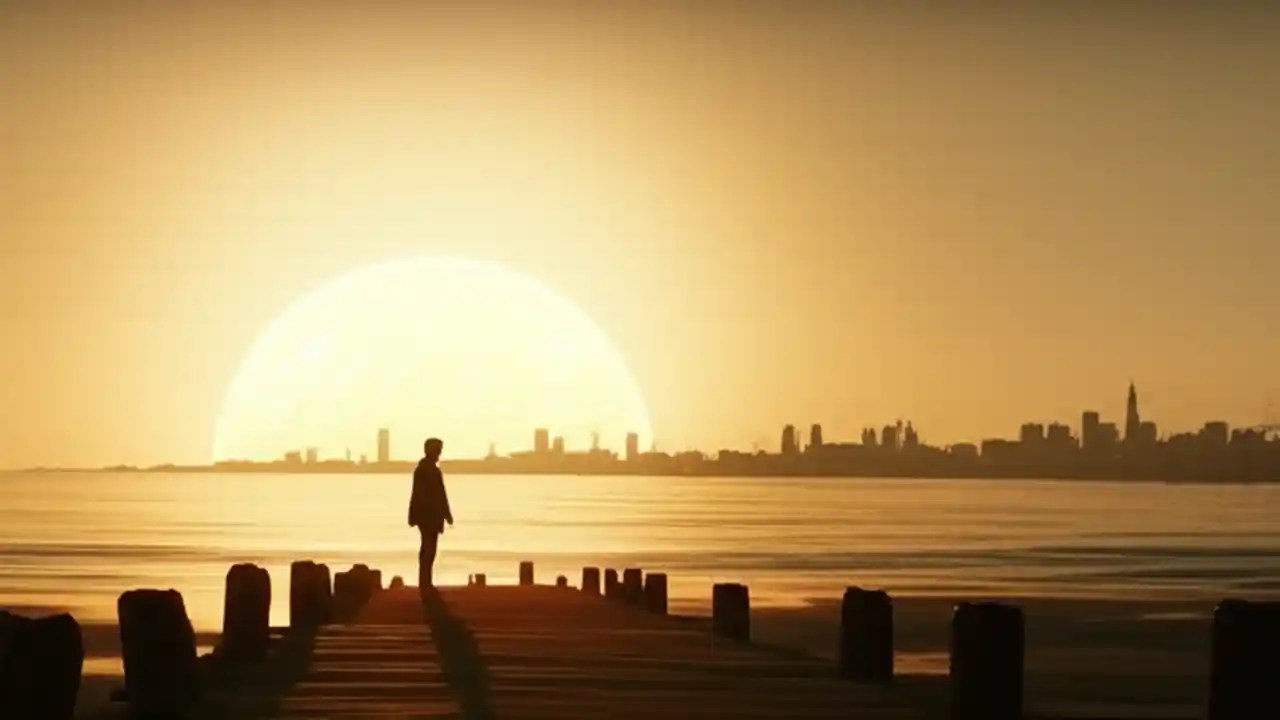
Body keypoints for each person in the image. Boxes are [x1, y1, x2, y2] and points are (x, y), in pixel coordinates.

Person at [408, 437, 453, 594]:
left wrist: (446, 513)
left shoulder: (430, 470)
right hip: (429, 516)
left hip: (431, 515)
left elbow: (441, 494)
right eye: (438, 450)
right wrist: (445, 513)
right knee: (428, 549)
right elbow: (421, 494)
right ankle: (425, 582)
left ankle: (426, 581)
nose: (439, 453)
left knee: (429, 548)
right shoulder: (425, 471)